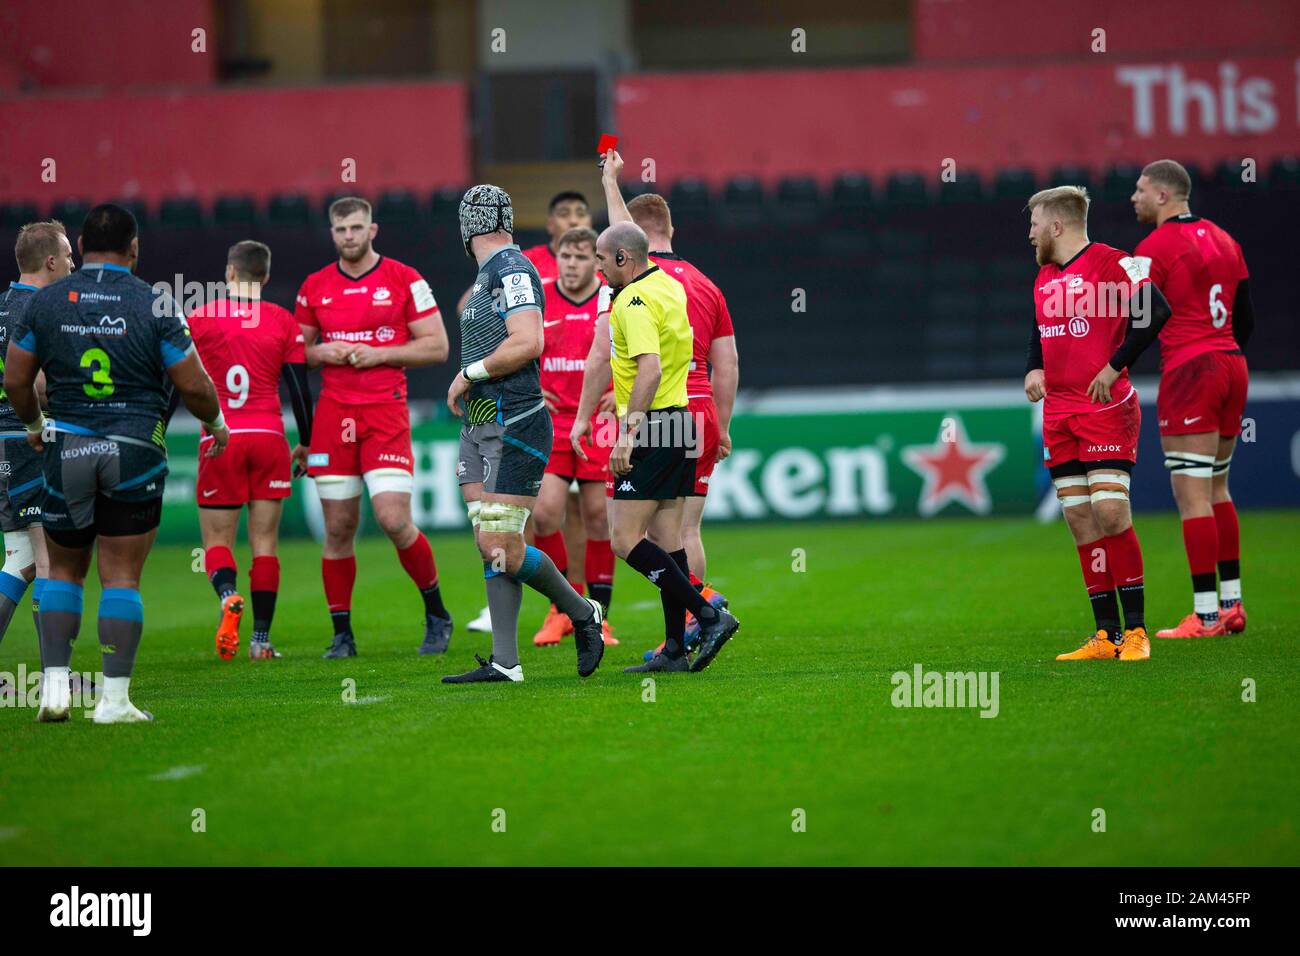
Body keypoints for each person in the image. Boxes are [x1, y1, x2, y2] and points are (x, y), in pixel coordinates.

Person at [4, 204, 229, 722]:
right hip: (134, 450)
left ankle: (55, 690)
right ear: (135, 249)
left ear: (80, 249)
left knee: (61, 571)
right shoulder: (155, 302)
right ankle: (113, 701)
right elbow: (192, 384)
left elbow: (16, 381)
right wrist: (217, 426)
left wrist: (36, 427)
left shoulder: (47, 303)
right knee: (121, 577)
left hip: (69, 448)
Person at [443, 184, 605, 684]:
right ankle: (505, 662)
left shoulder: (511, 268)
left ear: (469, 225)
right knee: (489, 539)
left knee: (500, 541)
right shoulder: (490, 273)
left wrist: (467, 375)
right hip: (483, 420)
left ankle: (582, 613)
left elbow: (529, 341)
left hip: (513, 420)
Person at [573, 221, 739, 674]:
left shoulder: (631, 300)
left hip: (656, 425)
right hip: (681, 421)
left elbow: (648, 368)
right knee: (669, 540)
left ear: (622, 258)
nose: (599, 271)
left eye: (602, 261)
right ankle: (673, 650)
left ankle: (708, 615)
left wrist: (628, 433)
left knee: (625, 540)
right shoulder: (668, 285)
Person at [294, 197, 452, 659]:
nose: (349, 236)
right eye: (341, 229)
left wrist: (380, 354)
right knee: (339, 527)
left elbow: (437, 347)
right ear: (332, 233)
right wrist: (326, 352)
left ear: (373, 229)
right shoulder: (314, 286)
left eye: (356, 227)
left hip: (385, 411)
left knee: (393, 519)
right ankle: (341, 634)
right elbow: (297, 351)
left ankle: (437, 614)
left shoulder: (405, 279)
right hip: (333, 416)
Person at [1021, 187, 1171, 662]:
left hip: (1104, 408)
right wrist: (1033, 366)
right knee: (1080, 520)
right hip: (1059, 412)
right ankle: (1105, 635)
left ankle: (1138, 632)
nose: (1030, 233)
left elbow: (1157, 312)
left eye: (1035, 223)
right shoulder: (1044, 277)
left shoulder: (1114, 263)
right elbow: (1039, 329)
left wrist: (1115, 364)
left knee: (1110, 513)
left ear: (1057, 226)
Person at [1130, 160, 1254, 639]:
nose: (1134, 198)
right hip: (1231, 362)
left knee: (1192, 497)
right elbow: (1246, 318)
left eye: (1141, 190)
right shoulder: (1226, 240)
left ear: (1164, 195)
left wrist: (1113, 364)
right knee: (1218, 488)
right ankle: (1232, 605)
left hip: (1190, 370)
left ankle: (1204, 617)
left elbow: (1142, 322)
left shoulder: (1151, 248)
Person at [188, 240, 314, 660]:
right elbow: (299, 389)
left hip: (220, 436)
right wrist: (307, 442)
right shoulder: (283, 321)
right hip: (269, 438)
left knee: (218, 539)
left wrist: (158, 428)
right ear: (266, 276)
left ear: (229, 272)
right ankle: (261, 641)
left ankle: (227, 596)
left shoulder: (201, 317)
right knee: (264, 542)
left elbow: (181, 383)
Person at [530, 226, 619, 648]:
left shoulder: (612, 298)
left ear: (595, 262)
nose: (571, 264)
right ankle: (563, 608)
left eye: (581, 258)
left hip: (599, 424)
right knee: (546, 514)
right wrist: (530, 388)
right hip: (552, 423)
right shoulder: (539, 295)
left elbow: (642, 349)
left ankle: (599, 618)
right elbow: (512, 344)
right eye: (565, 256)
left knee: (600, 518)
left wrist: (622, 388)